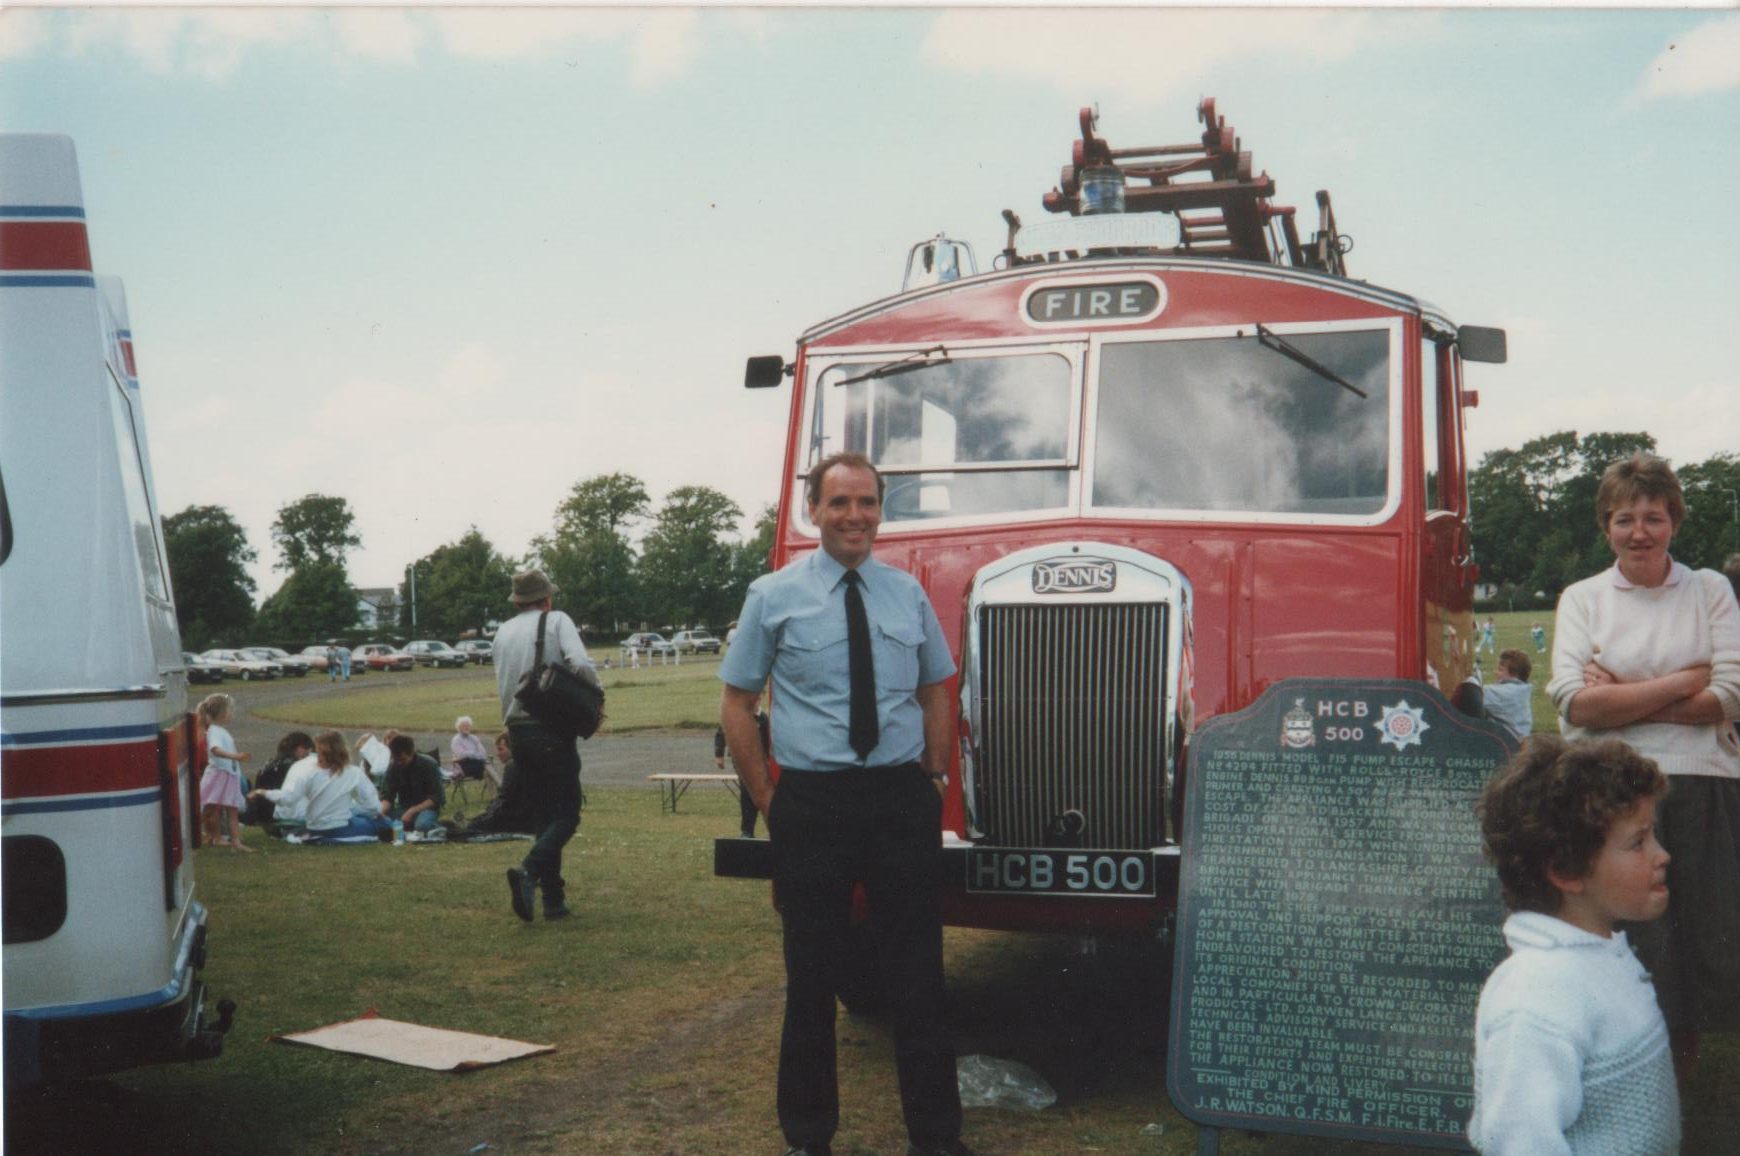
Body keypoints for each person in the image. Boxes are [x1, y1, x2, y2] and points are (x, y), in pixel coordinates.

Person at [719, 451, 969, 1156]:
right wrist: (769, 798)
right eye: (839, 504)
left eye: (867, 503)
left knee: (919, 976)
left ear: (880, 510)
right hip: (813, 806)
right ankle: (807, 1137)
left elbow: (934, 690)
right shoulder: (772, 596)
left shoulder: (907, 594)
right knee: (812, 980)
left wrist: (935, 777)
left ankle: (938, 1138)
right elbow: (737, 703)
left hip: (898, 800)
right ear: (814, 511)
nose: (854, 516)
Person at [1547, 453, 1740, 1078]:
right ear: (1607, 524)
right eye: (1624, 518)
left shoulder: (1711, 589)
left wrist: (1622, 692)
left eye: (1653, 517)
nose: (1639, 532)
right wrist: (1685, 680)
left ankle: (1680, 1067)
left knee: (1704, 932)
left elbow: (1731, 696)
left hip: (1704, 783)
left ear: (1674, 522)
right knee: (1633, 933)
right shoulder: (1583, 597)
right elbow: (1576, 705)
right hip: (1610, 787)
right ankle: (1628, 1064)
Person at [1468, 736, 1679, 1154]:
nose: (1662, 855)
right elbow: (1519, 1140)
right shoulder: (1538, 995)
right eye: (1638, 843)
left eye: (1652, 835)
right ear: (1566, 871)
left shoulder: (1600, 954)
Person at [495, 568, 600, 922]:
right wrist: (594, 697)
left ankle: (553, 901)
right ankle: (528, 870)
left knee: (544, 817)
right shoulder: (556, 620)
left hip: (518, 731)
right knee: (567, 814)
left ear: (518, 601)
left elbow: (504, 686)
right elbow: (581, 663)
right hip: (551, 731)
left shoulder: (502, 632)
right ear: (546, 598)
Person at [247, 730, 387, 842]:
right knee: (380, 822)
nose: (318, 757)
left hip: (313, 826)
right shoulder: (353, 773)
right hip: (334, 827)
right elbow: (373, 806)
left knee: (358, 815)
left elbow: (289, 797)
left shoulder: (304, 767)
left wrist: (262, 792)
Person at [451, 732, 539, 840]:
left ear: (513, 749)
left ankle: (468, 824)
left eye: (500, 749)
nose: (498, 754)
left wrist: (489, 814)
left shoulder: (512, 766)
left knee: (472, 827)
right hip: (533, 818)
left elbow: (505, 799)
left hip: (517, 818)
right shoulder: (530, 762)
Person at [197, 693, 253, 852]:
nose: (231, 714)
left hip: (229, 775)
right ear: (221, 713)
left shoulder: (221, 731)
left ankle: (236, 842)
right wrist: (235, 756)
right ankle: (192, 835)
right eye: (230, 711)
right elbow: (215, 750)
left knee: (232, 809)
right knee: (209, 809)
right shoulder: (214, 731)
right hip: (218, 775)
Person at [714, 705, 769, 838]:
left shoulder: (763, 718)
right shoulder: (738, 712)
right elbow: (722, 732)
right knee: (748, 790)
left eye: (760, 696)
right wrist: (719, 754)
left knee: (760, 792)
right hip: (740, 758)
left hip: (760, 760)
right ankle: (747, 831)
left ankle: (769, 830)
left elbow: (768, 740)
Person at [380, 733, 446, 834]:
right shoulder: (393, 766)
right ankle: (410, 826)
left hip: (425, 808)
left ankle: (436, 826)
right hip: (403, 808)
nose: (399, 763)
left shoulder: (429, 765)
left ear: (412, 753)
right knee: (380, 822)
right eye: (396, 759)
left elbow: (437, 798)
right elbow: (387, 796)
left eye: (402, 760)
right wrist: (381, 813)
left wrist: (412, 811)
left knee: (422, 826)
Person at [244, 731, 313, 826]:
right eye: (306, 748)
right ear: (298, 748)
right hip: (275, 810)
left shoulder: (273, 761)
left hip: (261, 810)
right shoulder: (293, 765)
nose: (308, 753)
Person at [1484, 649, 1534, 743]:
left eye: (1500, 670)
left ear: (1514, 674)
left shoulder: (1507, 693)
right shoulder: (1521, 689)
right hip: (1517, 742)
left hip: (1509, 748)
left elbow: (1474, 691)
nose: (1496, 673)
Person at [450, 715, 489, 781]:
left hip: (476, 762)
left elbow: (483, 753)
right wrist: (475, 753)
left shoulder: (474, 738)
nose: (467, 728)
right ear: (459, 727)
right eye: (464, 726)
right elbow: (461, 755)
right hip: (463, 764)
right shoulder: (456, 740)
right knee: (485, 766)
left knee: (486, 764)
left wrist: (472, 754)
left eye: (468, 726)